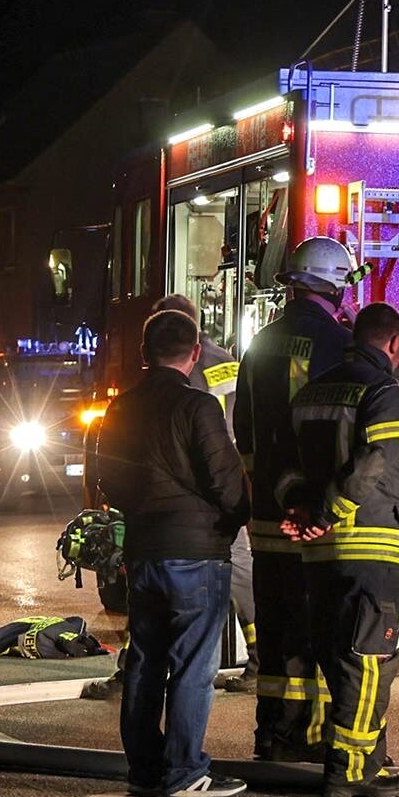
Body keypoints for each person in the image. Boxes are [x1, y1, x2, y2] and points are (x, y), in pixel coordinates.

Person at [94, 308, 250, 797]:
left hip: (144, 550)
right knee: (192, 667)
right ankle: (184, 772)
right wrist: (238, 514)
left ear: (143, 354)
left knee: (144, 661)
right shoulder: (199, 406)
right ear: (196, 353)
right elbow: (226, 481)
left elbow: (107, 480)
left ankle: (144, 770)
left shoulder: (120, 407)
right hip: (198, 552)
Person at [276, 302, 399, 797]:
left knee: (339, 657)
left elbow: (285, 463)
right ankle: (351, 772)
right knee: (369, 660)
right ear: (395, 343)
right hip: (369, 543)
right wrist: (330, 511)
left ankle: (358, 762)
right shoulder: (384, 392)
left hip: (320, 554)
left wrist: (298, 508)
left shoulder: (312, 389)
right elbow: (375, 461)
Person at [234, 236, 356, 762]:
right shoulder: (338, 346)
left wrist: (272, 491)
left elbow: (244, 429)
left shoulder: (259, 343)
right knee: (322, 631)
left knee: (279, 628)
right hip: (316, 518)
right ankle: (313, 740)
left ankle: (274, 736)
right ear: (335, 285)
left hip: (266, 515)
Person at [149, 293, 258, 694]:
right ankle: (260, 656)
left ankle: (140, 666)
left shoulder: (181, 373)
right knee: (240, 573)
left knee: (171, 582)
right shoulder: (227, 359)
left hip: (199, 487)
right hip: (232, 475)